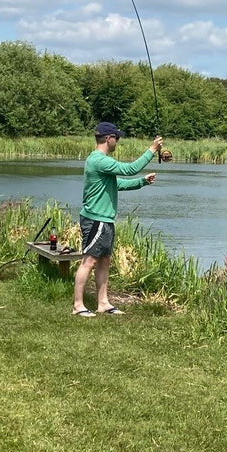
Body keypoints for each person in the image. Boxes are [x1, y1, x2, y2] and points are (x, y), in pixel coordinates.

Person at [73, 122, 163, 317]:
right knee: (88, 261)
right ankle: (78, 305)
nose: (118, 141)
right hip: (95, 219)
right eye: (117, 137)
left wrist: (142, 182)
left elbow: (116, 184)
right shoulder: (99, 160)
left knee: (104, 261)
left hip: (104, 220)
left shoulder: (101, 161)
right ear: (108, 138)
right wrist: (152, 150)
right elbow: (130, 169)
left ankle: (103, 303)